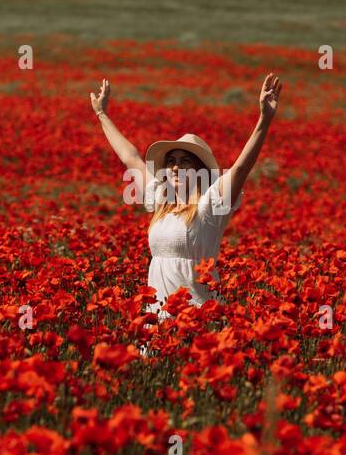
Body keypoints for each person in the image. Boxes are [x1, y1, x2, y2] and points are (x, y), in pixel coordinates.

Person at [91, 73, 282, 318]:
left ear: (200, 170)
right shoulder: (160, 200)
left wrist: (264, 120)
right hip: (158, 313)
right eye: (171, 162)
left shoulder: (210, 206)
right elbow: (131, 158)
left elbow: (241, 169)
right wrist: (101, 114)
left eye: (185, 162)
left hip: (198, 314)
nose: (176, 167)